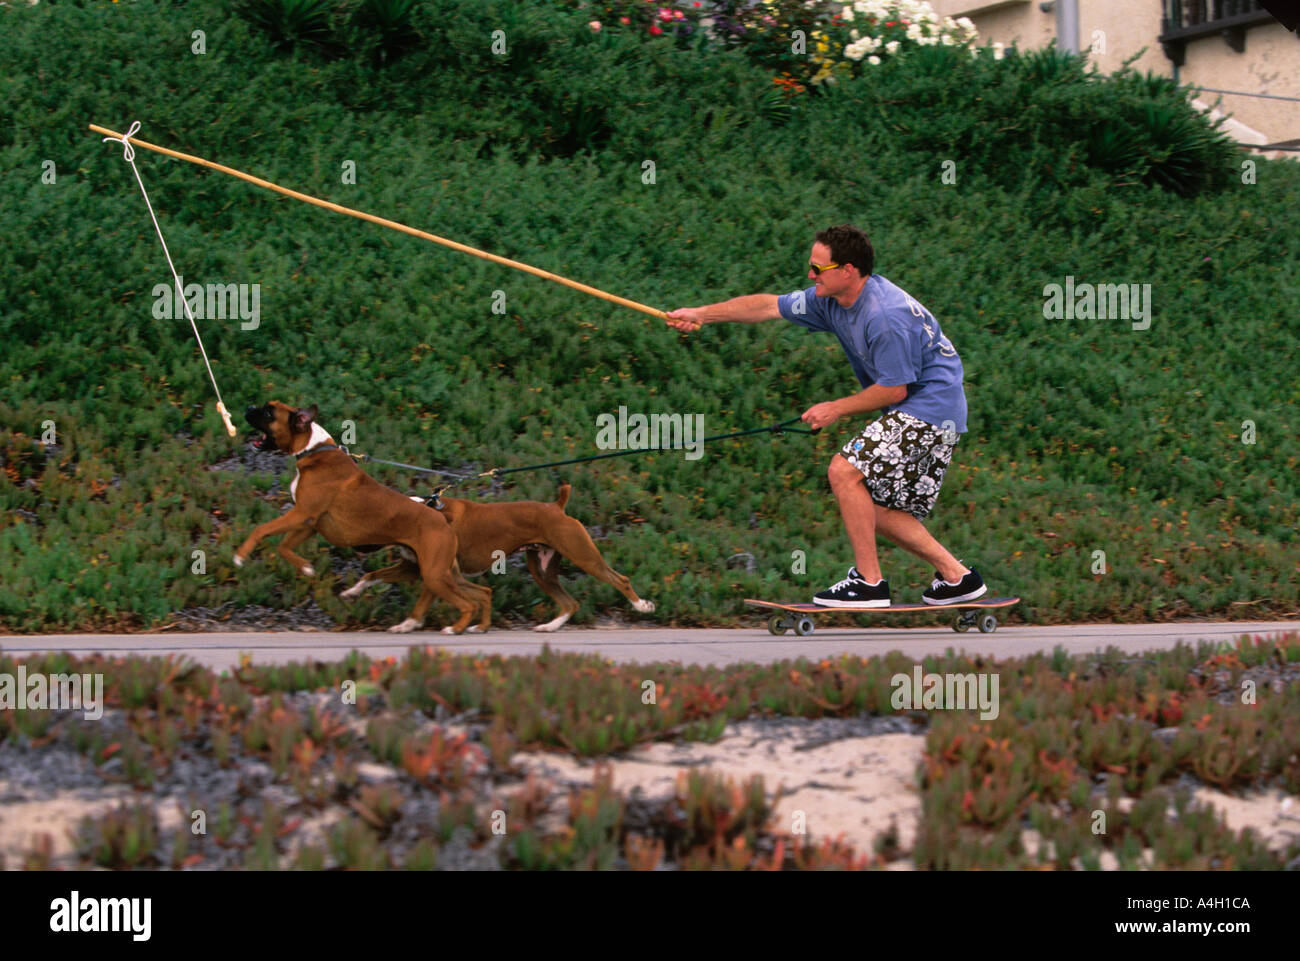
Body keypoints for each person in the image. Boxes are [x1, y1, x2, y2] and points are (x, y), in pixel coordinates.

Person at [665, 224, 987, 607]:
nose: (810, 275)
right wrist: (702, 314)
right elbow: (768, 305)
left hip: (932, 410)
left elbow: (895, 389)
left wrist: (835, 408)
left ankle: (869, 584)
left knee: (843, 470)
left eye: (819, 268)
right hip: (927, 411)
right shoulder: (829, 299)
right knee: (874, 507)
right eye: (811, 266)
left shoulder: (885, 317)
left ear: (848, 270)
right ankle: (958, 579)